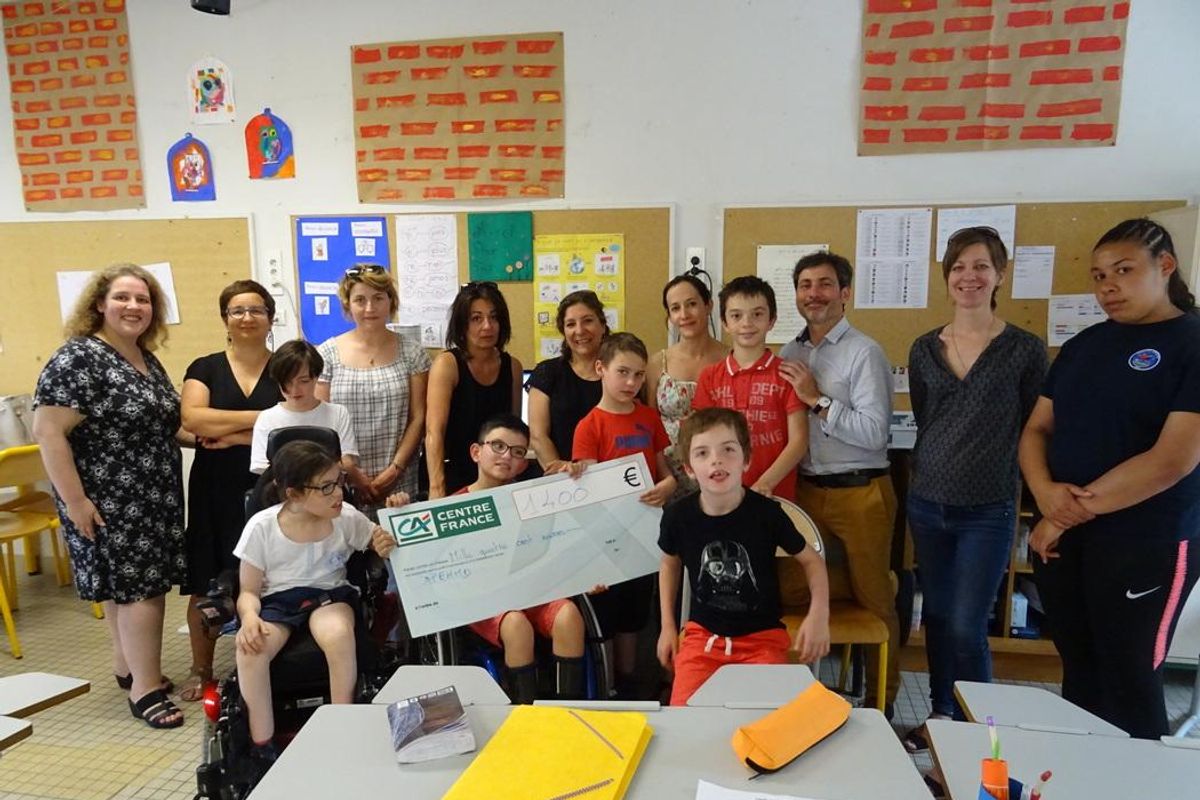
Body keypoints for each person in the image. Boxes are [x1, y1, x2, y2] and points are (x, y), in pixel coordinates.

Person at [1019, 218, 1200, 739]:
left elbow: (1171, 460)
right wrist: (1047, 498)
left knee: (1130, 677)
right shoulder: (1085, 346)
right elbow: (1036, 430)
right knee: (1081, 671)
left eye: (1123, 271)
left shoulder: (1190, 343)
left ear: (1164, 266)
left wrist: (1063, 514)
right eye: (1099, 276)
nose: (1108, 287)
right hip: (1067, 539)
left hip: (1145, 542)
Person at [903, 229, 1047, 741]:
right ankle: (942, 713)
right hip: (928, 503)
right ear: (947, 277)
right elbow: (928, 417)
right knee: (938, 617)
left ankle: (981, 732)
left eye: (981, 266)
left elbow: (1034, 426)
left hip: (987, 508)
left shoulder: (1024, 350)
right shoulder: (924, 348)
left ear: (1000, 275)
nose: (970, 276)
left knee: (968, 623)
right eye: (959, 267)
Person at [32, 263, 190, 729]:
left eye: (143, 300)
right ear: (99, 304)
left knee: (126, 590)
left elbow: (162, 423)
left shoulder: (143, 357)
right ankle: (145, 689)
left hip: (151, 494)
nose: (133, 307)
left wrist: (208, 440)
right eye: (123, 297)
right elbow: (48, 432)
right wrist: (76, 501)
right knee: (143, 591)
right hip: (108, 498)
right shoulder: (78, 358)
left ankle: (127, 667)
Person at [379, 415, 586, 704]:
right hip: (483, 599)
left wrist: (578, 474)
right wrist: (399, 515)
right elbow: (421, 559)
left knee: (569, 616)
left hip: (531, 590)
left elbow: (562, 543)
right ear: (476, 452)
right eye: (498, 446)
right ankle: (524, 713)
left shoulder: (535, 499)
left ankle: (568, 709)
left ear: (524, 463)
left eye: (517, 452)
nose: (506, 457)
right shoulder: (452, 507)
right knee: (515, 625)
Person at [778, 251, 901, 713]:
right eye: (806, 285)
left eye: (825, 284)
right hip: (807, 491)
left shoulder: (864, 351)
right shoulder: (789, 353)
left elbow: (874, 433)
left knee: (874, 597)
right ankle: (800, 701)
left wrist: (816, 399)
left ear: (845, 293)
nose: (815, 294)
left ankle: (879, 705)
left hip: (861, 491)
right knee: (796, 592)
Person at [233, 440, 394, 765]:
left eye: (339, 483)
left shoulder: (346, 517)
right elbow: (248, 592)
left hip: (329, 595)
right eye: (326, 488)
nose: (338, 494)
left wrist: (386, 537)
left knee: (336, 633)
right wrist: (250, 618)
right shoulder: (262, 527)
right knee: (251, 649)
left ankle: (343, 727)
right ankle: (262, 744)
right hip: (277, 601)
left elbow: (380, 542)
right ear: (293, 494)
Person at [657, 407, 831, 705]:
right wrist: (668, 627)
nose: (716, 459)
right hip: (702, 641)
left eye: (728, 449)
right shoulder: (677, 517)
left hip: (762, 641)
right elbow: (669, 563)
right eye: (702, 453)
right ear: (688, 468)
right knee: (684, 717)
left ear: (746, 460)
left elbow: (812, 561)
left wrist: (819, 614)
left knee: (767, 722)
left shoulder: (767, 514)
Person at [178, 280, 280, 702]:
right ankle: (202, 671)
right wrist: (265, 419)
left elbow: (293, 423)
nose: (246, 317)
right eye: (237, 310)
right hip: (214, 488)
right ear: (225, 319)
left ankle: (271, 662)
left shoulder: (284, 367)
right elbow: (193, 420)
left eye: (256, 309)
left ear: (270, 318)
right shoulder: (205, 367)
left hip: (270, 486)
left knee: (273, 579)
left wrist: (236, 434)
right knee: (208, 579)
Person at [572, 332, 676, 698]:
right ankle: (608, 687)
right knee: (607, 615)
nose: (631, 382)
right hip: (606, 539)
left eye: (639, 375)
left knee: (635, 615)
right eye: (623, 373)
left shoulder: (649, 418)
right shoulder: (590, 425)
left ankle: (629, 684)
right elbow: (586, 492)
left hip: (645, 536)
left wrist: (668, 486)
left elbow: (666, 472)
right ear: (601, 369)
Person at [316, 264, 430, 510]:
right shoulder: (326, 354)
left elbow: (418, 418)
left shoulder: (412, 352)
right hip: (342, 481)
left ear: (391, 301)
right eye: (360, 300)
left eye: (378, 298)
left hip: (400, 481)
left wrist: (394, 471)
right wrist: (353, 474)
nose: (370, 308)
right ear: (348, 305)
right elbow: (322, 424)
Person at [692, 275, 808, 501]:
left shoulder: (787, 374)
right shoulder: (710, 376)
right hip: (723, 495)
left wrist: (765, 483)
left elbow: (799, 440)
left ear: (772, 320)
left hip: (775, 494)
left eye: (757, 314)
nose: (747, 323)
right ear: (725, 323)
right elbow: (702, 438)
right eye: (736, 316)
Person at [425, 282, 524, 498]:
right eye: (476, 318)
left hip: (497, 475)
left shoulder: (513, 367)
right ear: (463, 325)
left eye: (494, 317)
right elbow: (434, 432)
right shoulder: (447, 364)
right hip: (453, 474)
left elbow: (513, 430)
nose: (487, 326)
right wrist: (437, 488)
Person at [646, 272, 726, 496]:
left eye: (692, 304)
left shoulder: (731, 359)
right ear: (669, 315)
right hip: (669, 478)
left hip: (719, 472)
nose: (684, 315)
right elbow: (648, 426)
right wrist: (663, 476)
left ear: (708, 305)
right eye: (675, 308)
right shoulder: (656, 363)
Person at [526, 290, 608, 477]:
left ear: (602, 325)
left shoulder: (618, 373)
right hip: (558, 480)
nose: (579, 330)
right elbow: (538, 436)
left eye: (587, 320)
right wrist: (564, 475)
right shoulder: (548, 372)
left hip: (608, 480)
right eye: (571, 324)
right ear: (563, 331)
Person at [250, 340, 361, 477]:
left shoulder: (337, 413)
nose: (295, 390)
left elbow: (347, 462)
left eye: (304, 381)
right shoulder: (268, 418)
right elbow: (262, 468)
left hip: (328, 490)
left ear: (316, 377)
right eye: (287, 382)